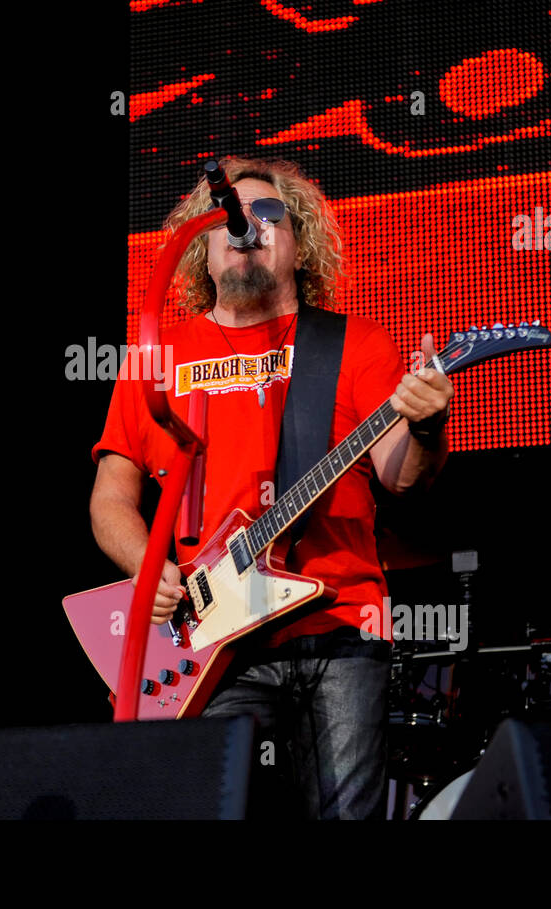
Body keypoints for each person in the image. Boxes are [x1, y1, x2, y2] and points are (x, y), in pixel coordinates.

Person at [88, 156, 452, 819]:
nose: (245, 225)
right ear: (201, 245)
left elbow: (404, 478)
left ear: (298, 241)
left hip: (340, 621)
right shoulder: (158, 360)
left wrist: (428, 427)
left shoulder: (357, 346)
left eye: (268, 214)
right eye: (228, 216)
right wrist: (150, 569)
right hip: (212, 637)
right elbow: (110, 496)